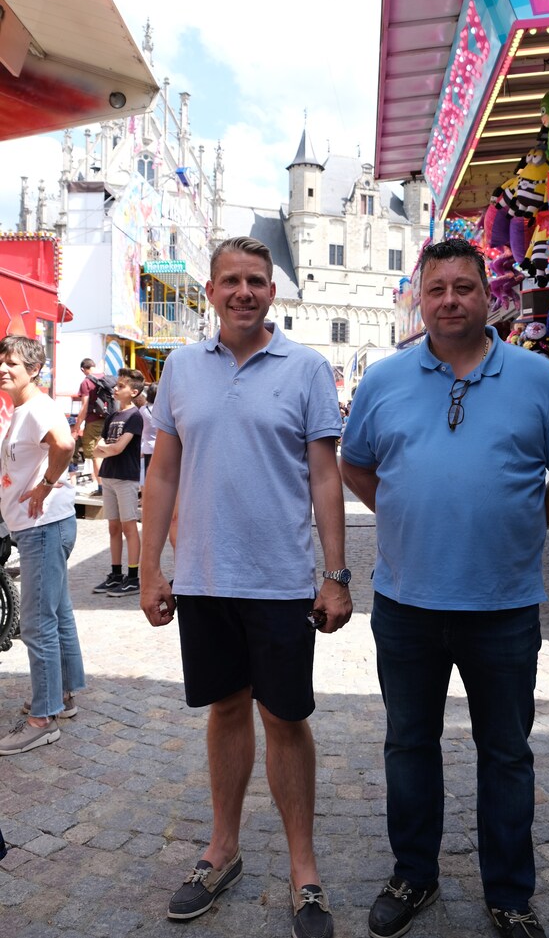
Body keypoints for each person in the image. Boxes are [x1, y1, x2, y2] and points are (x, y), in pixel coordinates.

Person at [339, 239, 549, 938]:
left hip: (503, 608)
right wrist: (403, 510)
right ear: (420, 300)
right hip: (405, 605)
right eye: (436, 289)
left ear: (490, 296)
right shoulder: (383, 379)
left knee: (507, 753)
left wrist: (522, 522)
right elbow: (355, 465)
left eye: (463, 286)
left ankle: (510, 893)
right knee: (408, 744)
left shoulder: (538, 378)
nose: (449, 299)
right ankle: (413, 873)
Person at [140, 236, 352, 938]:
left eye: (256, 280)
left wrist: (335, 573)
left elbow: (326, 477)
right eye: (230, 280)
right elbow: (163, 471)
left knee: (286, 719)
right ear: (210, 290)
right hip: (203, 577)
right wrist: (148, 567)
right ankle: (222, 849)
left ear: (272, 290)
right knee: (226, 711)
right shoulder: (181, 368)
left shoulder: (307, 367)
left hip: (282, 582)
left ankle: (304, 868)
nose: (243, 291)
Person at [0, 335, 86, 755]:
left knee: (36, 623)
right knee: (58, 613)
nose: (4, 369)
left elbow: (65, 444)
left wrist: (46, 486)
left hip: (44, 528)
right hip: (45, 527)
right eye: (2, 361)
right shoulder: (23, 409)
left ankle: (42, 718)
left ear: (33, 369)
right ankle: (64, 697)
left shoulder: (38, 407)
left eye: (12, 363)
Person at [92, 367, 145, 597]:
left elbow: (116, 447)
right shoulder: (113, 416)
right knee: (113, 527)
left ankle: (133, 577)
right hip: (110, 476)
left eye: (121, 386)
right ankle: (116, 574)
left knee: (129, 527)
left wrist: (106, 449)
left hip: (126, 477)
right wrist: (106, 450)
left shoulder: (135, 417)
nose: (116, 388)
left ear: (133, 392)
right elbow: (97, 449)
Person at [73, 358, 107, 495]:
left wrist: (77, 426)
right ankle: (109, 486)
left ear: (83, 369)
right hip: (109, 420)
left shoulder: (86, 382)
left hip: (93, 422)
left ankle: (101, 488)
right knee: (106, 453)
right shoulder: (106, 379)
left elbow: (85, 407)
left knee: (96, 454)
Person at [140, 382, 157, 479]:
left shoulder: (143, 409)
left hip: (147, 448)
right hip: (163, 448)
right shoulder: (164, 409)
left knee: (148, 477)